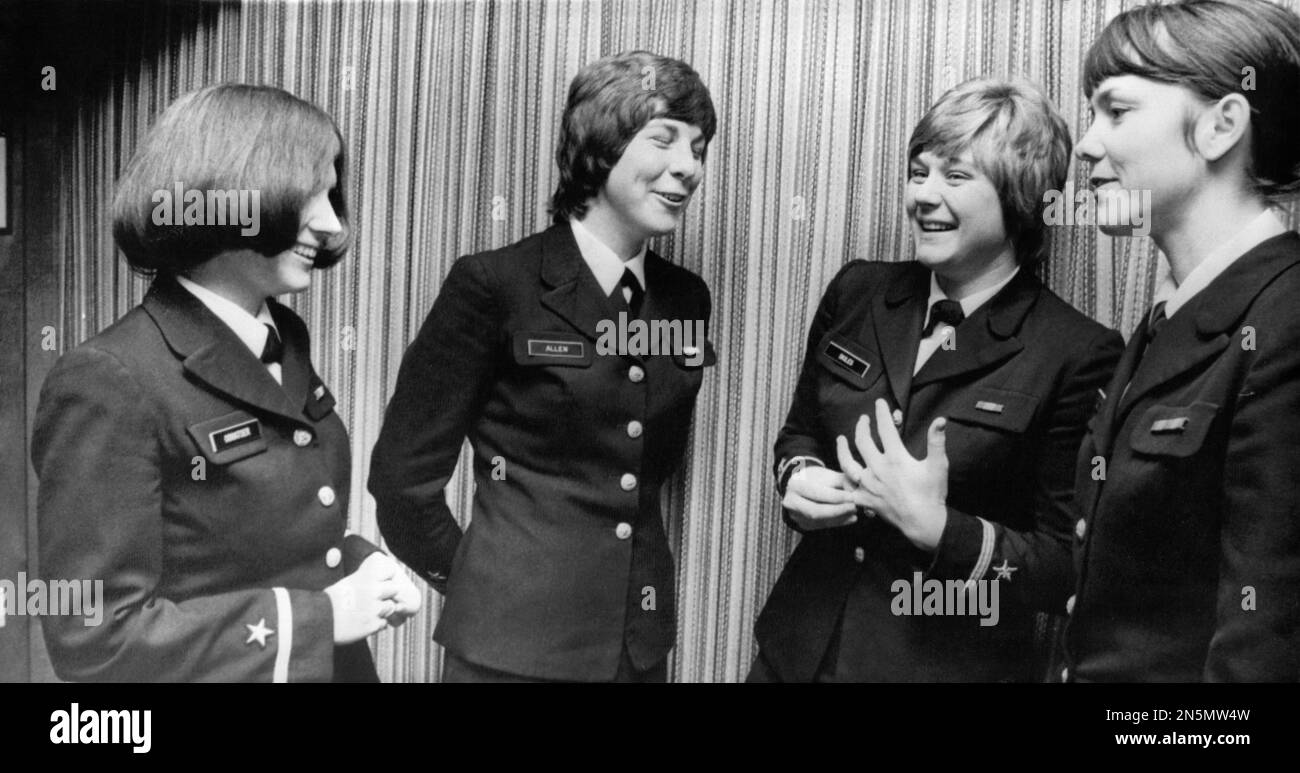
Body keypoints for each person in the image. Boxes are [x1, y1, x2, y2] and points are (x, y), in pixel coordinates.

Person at [31, 83, 420, 682]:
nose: (330, 222)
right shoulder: (109, 379)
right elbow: (95, 637)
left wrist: (360, 567)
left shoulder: (281, 336)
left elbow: (264, 535)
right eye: (306, 194)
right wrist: (317, 620)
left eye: (330, 193)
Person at [750, 77, 1124, 682]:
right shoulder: (858, 290)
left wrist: (941, 530)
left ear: (1021, 197)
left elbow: (1063, 569)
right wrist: (800, 479)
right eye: (918, 171)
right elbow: (800, 434)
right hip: (795, 654)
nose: (923, 195)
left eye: (954, 177)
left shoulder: (1078, 352)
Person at [368, 51, 717, 683]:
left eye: (698, 148)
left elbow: (640, 467)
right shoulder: (495, 284)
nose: (688, 168)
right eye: (664, 139)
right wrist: (485, 588)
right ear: (601, 144)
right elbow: (400, 483)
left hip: (635, 654)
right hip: (509, 656)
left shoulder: (686, 299)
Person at [1062, 0, 1300, 682]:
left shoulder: (1286, 321)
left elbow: (1263, 654)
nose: (1085, 144)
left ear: (1223, 125)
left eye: (1116, 110)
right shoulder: (1177, 313)